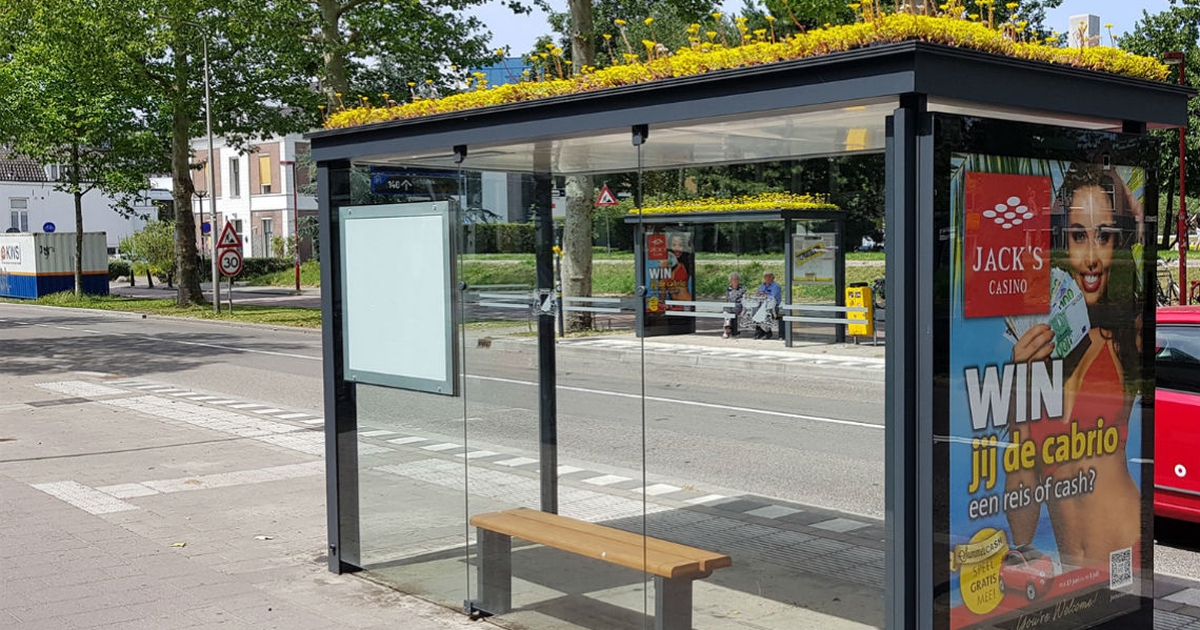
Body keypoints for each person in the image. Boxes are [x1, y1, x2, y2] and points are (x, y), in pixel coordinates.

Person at [1006, 165, 1143, 572]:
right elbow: (1021, 477)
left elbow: (1141, 213)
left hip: (1126, 549)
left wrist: (1128, 201)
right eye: (1079, 234)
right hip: (1072, 571)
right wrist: (1019, 380)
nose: (1090, 257)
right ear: (1061, 241)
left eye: (1105, 236)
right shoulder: (1038, 343)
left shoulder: (1128, 330)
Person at [753, 272, 783, 339]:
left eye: (769, 277)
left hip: (773, 307)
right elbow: (756, 295)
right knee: (754, 311)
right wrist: (758, 294)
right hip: (761, 306)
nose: (767, 278)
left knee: (764, 312)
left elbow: (773, 298)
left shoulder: (776, 286)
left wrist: (765, 295)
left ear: (773, 278)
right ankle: (760, 331)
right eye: (766, 277)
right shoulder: (762, 286)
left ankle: (767, 332)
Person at [723, 272, 745, 338]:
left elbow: (744, 298)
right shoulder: (728, 288)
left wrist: (743, 310)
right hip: (729, 307)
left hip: (738, 306)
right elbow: (726, 298)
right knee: (728, 311)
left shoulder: (742, 288)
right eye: (733, 279)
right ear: (730, 280)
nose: (735, 281)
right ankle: (731, 330)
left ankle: (727, 328)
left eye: (736, 279)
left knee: (729, 311)